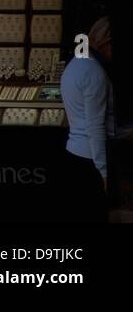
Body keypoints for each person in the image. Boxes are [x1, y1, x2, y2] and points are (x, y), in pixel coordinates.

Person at [59, 16, 114, 222]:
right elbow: (95, 127)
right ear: (106, 42)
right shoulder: (95, 73)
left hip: (74, 151)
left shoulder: (76, 64)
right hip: (91, 158)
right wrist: (104, 172)